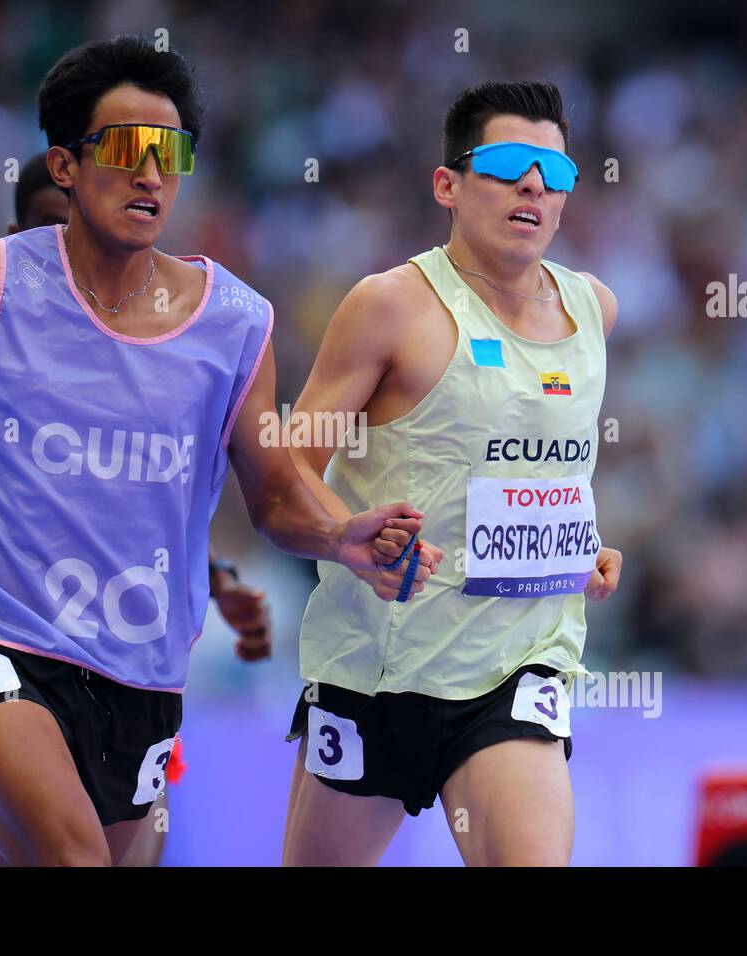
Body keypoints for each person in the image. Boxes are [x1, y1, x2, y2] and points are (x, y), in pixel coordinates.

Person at [0, 35, 430, 867]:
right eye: (126, 150)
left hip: (140, 673)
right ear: (64, 164)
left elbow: (272, 495)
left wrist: (342, 535)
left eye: (170, 154)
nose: (151, 174)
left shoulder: (236, 323)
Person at [0, 152, 272, 866]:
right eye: (52, 232)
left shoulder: (160, 354)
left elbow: (140, 512)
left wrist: (215, 575)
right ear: (14, 236)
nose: (77, 259)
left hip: (122, 665)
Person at [283, 81, 623, 866]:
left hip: (516, 667)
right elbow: (290, 462)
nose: (534, 186)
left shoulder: (594, 309)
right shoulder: (391, 306)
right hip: (378, 668)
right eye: (508, 165)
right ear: (448, 184)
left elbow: (544, 462)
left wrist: (583, 545)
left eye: (555, 172)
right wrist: (344, 538)